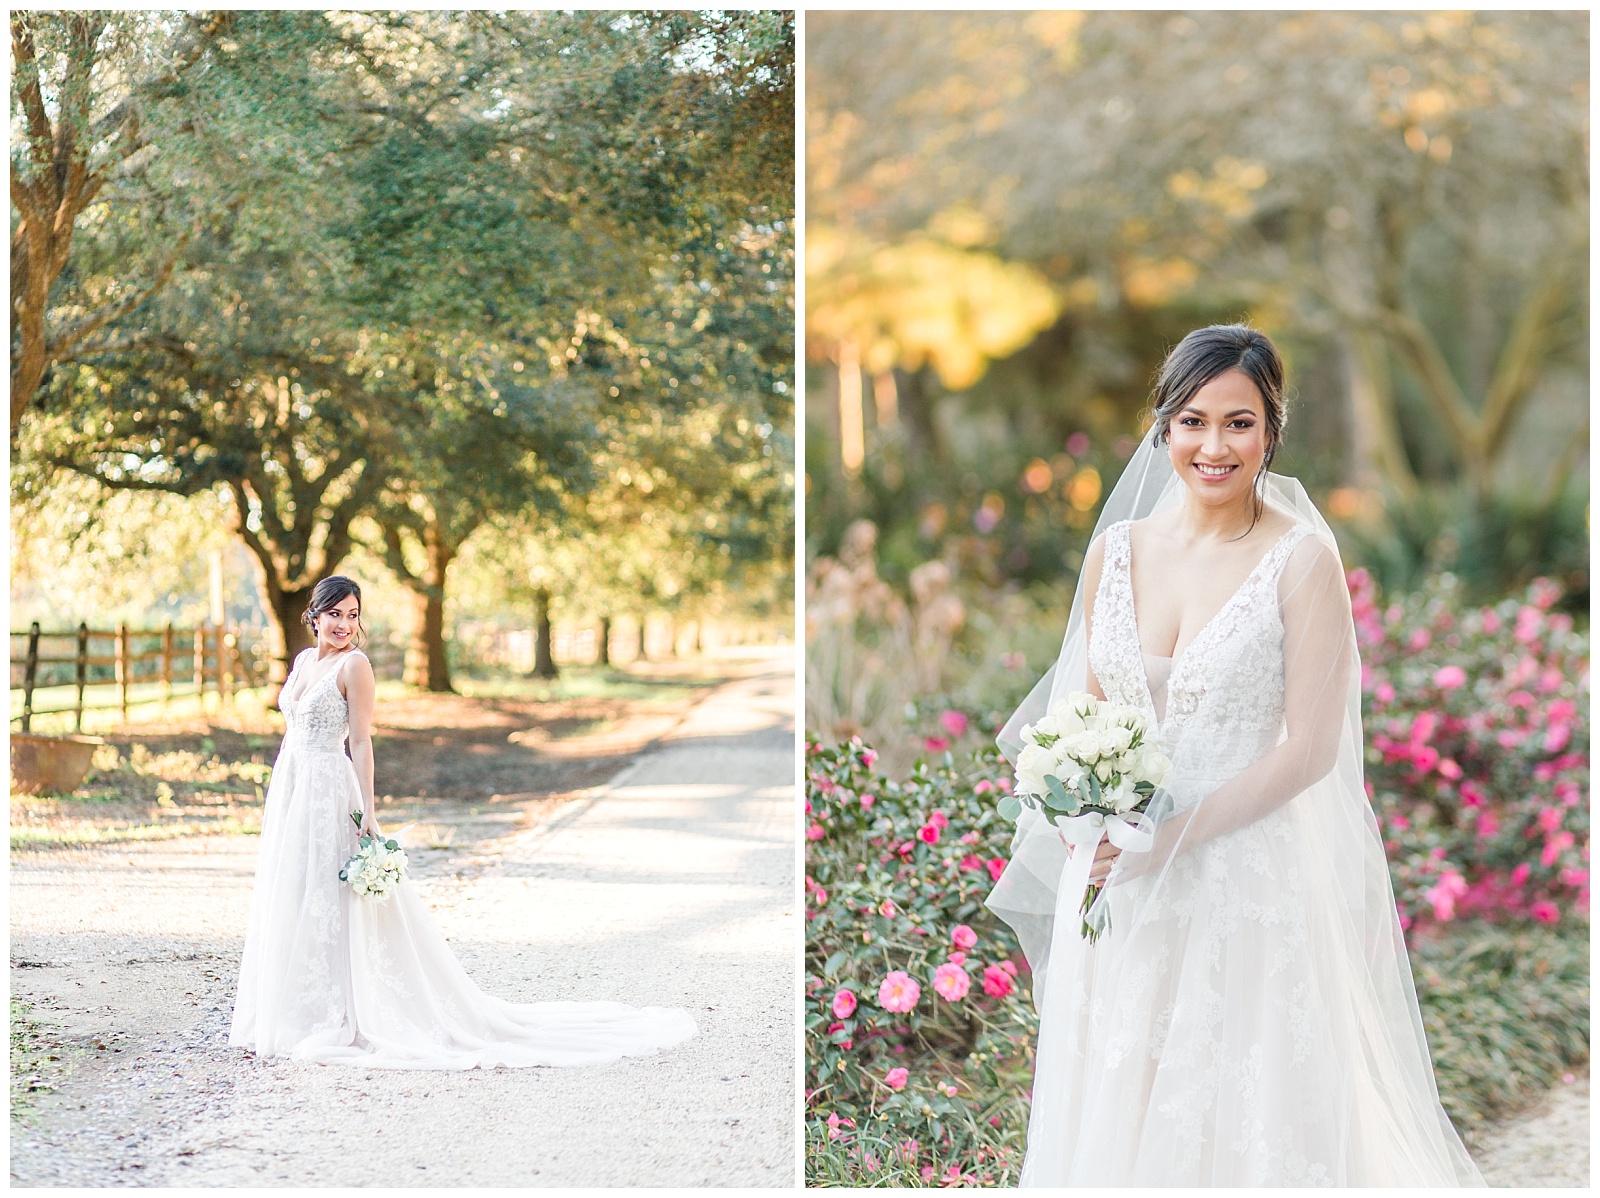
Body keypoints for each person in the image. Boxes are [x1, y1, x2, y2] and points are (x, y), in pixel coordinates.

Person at [986, 325, 1483, 1185]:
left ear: (1271, 429)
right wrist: (1086, 822)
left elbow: (1311, 749)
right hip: (1121, 884)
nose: (1213, 446)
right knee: (1122, 1094)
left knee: (1241, 1110)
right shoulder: (1115, 553)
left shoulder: (1301, 559)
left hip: (1249, 881)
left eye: (1239, 423)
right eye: (1192, 421)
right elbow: (1088, 717)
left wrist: (1176, 837)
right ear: (1162, 428)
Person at [229, 575, 696, 1068]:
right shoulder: (304, 661)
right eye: (335, 614)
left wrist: (367, 807)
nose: (344, 624)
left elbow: (362, 741)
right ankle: (291, 1008)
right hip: (294, 783)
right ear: (314, 615)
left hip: (329, 785)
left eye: (352, 615)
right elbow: (295, 726)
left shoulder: (355, 666)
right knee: (296, 887)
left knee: (332, 892)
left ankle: (344, 1009)